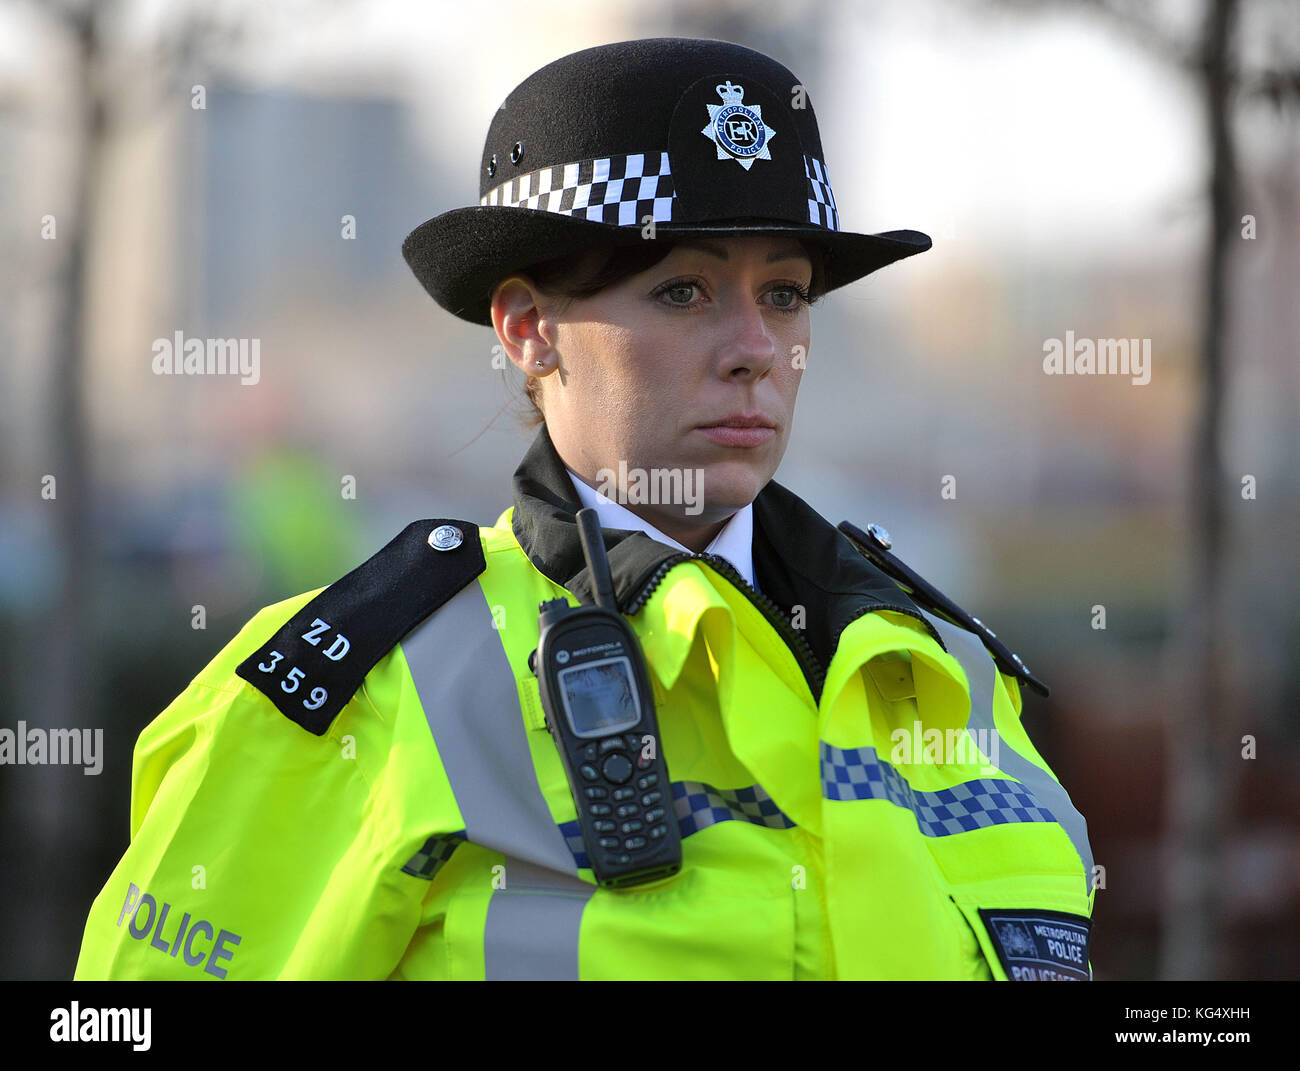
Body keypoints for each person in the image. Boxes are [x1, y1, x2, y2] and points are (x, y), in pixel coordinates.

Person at [75, 36, 1094, 981]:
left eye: (784, 294)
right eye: (684, 292)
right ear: (527, 330)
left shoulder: (938, 671)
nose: (755, 347)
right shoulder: (373, 688)